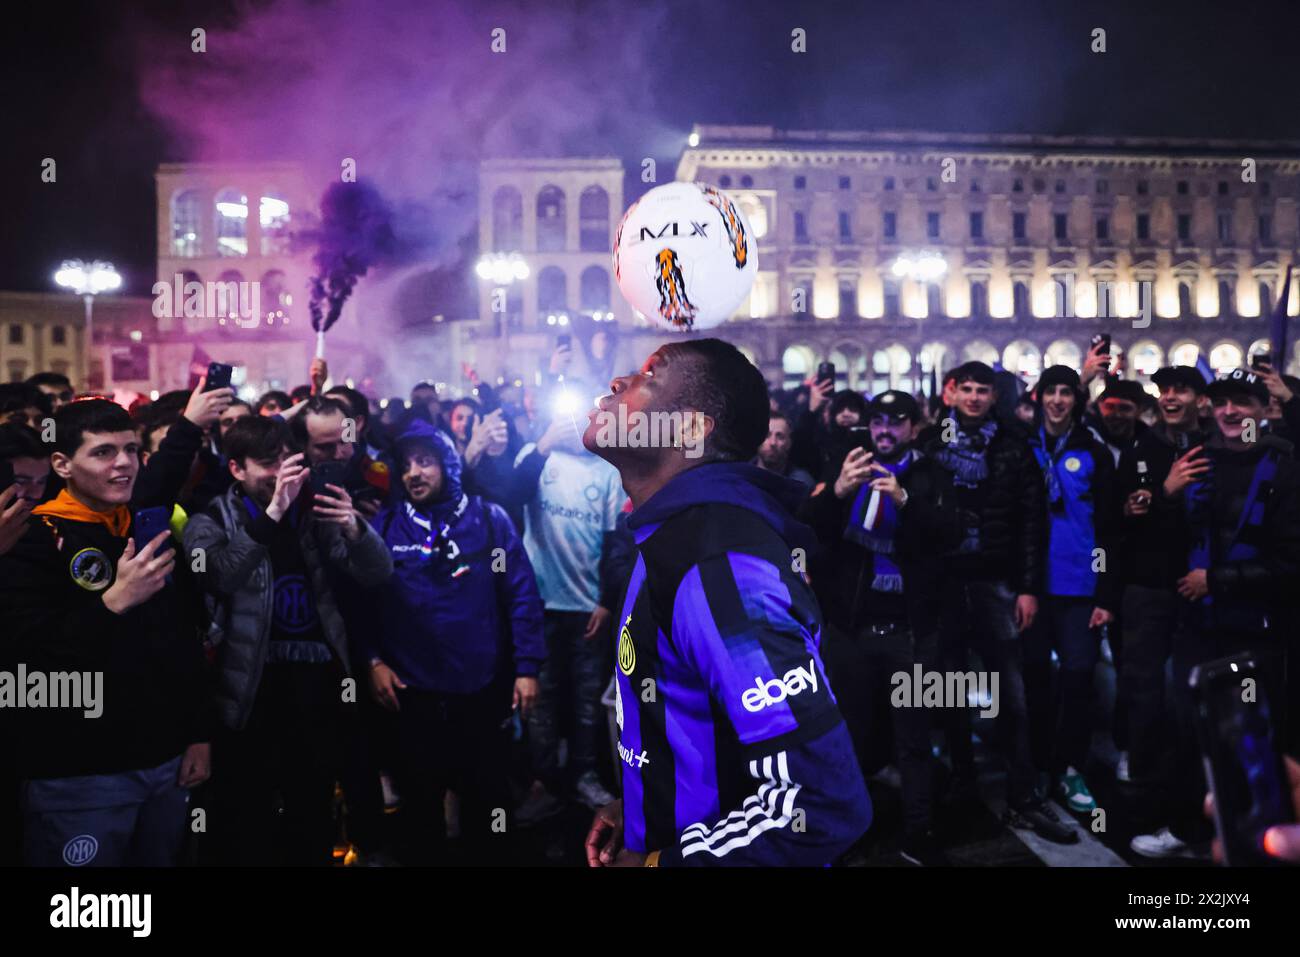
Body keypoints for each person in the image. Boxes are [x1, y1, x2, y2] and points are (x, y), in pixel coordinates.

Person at [583, 338, 871, 866]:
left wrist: (659, 862)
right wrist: (648, 802)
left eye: (650, 376)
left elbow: (820, 806)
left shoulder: (719, 565)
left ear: (692, 429)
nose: (618, 382)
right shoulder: (672, 531)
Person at [0, 399, 212, 866]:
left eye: (132, 450)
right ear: (63, 464)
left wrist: (197, 733)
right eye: (103, 452)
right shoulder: (31, 539)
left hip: (165, 760)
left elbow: (181, 638)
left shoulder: (141, 524)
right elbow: (28, 662)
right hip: (79, 770)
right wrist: (113, 603)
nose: (123, 464)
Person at [183, 415, 393, 865]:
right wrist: (273, 514)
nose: (282, 472)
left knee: (311, 810)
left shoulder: (312, 515)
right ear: (236, 469)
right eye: (267, 463)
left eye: (287, 459)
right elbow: (218, 575)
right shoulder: (211, 517)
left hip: (316, 685)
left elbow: (377, 573)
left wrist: (356, 529)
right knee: (246, 819)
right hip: (249, 688)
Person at [1130, 368, 1300, 859]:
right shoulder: (1198, 462)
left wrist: (1218, 581)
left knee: (1254, 736)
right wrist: (1161, 495)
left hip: (1259, 631)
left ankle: (1259, 835)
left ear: (1263, 409)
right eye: (1222, 402)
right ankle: (1188, 828)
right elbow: (1164, 545)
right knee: (1188, 729)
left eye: (1242, 402)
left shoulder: (1286, 468)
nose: (1230, 411)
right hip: (1199, 625)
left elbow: (1292, 562)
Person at [366, 420, 545, 863]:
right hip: (413, 693)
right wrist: (371, 661)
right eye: (406, 464)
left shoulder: (488, 520)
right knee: (421, 806)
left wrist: (527, 669)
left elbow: (521, 594)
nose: (414, 473)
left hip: (480, 690)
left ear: (446, 464)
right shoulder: (386, 526)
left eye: (425, 462)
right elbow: (361, 601)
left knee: (487, 805)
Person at [801, 390, 964, 865]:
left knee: (914, 738)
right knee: (848, 735)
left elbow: (949, 534)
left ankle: (919, 831)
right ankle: (850, 829)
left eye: (897, 422)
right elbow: (809, 529)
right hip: (851, 629)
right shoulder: (847, 465)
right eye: (878, 422)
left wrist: (907, 500)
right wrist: (836, 493)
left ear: (915, 427)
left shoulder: (933, 475)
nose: (885, 430)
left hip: (910, 632)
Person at [921, 361, 1072, 843]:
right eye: (965, 388)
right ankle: (963, 780)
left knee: (1012, 692)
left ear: (993, 396)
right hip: (945, 582)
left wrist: (1028, 588)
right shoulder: (931, 444)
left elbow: (1032, 523)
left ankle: (1023, 793)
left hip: (995, 581)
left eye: (982, 390)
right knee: (948, 688)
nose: (973, 397)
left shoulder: (1011, 445)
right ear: (950, 392)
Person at [515, 382, 627, 814]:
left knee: (584, 704)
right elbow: (511, 491)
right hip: (540, 606)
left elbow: (614, 541)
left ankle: (583, 777)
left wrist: (606, 599)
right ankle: (543, 783)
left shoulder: (607, 472)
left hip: (588, 611)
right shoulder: (538, 457)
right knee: (541, 703)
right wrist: (541, 446)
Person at [1022, 366, 1119, 815]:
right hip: (1032, 586)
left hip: (1080, 583)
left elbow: (1110, 525)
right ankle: (1042, 764)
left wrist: (1106, 595)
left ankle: (1070, 766)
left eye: (1067, 393)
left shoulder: (1093, 451)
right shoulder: (1022, 446)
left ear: (1076, 400)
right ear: (1039, 397)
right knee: (1036, 680)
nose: (1058, 401)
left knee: (1079, 681)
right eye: (1051, 392)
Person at [1114, 365, 1210, 789]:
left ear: (1200, 399)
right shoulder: (1141, 448)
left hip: (1201, 584)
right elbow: (1122, 516)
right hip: (1148, 584)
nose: (1171, 398)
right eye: (1165, 390)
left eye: (1182, 391)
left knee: (1195, 686)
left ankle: (1196, 772)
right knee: (1143, 684)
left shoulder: (1215, 445)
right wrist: (1159, 494)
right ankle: (1141, 765)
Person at [755, 411, 815, 496]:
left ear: (789, 443)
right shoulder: (740, 473)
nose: (773, 443)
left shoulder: (802, 484)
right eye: (766, 435)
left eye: (780, 437)